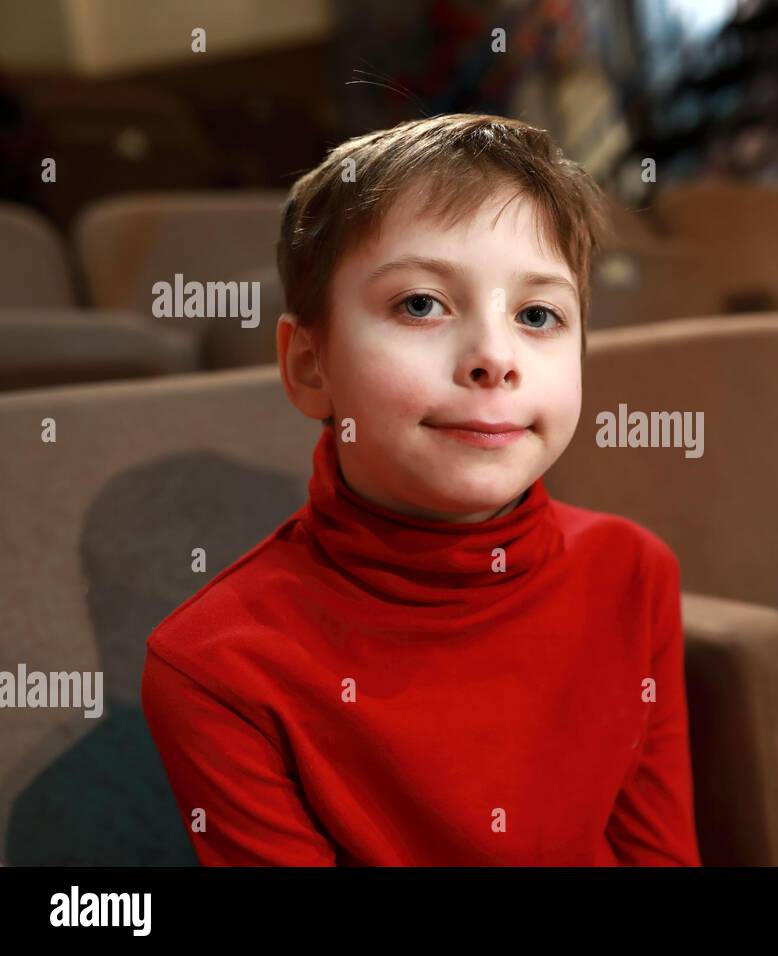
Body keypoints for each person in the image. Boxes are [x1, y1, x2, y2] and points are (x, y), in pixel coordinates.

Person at [140, 113, 701, 866]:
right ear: (311, 365)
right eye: (420, 304)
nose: (494, 358)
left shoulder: (632, 571)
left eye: (538, 315)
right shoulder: (215, 668)